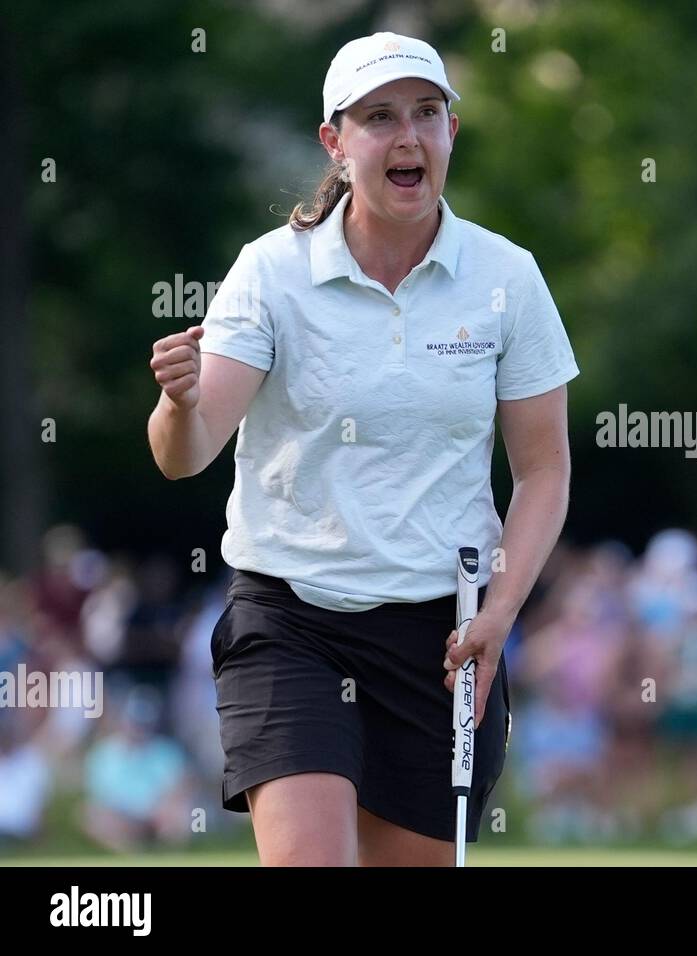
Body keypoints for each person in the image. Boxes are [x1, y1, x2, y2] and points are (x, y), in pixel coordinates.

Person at [146, 33, 578, 865]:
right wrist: (177, 400)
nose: (408, 136)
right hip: (290, 620)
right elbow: (186, 452)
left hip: (442, 636)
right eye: (379, 118)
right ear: (335, 144)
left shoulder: (507, 276)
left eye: (427, 113)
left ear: (452, 129)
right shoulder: (270, 273)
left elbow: (544, 469)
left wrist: (499, 614)